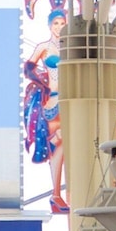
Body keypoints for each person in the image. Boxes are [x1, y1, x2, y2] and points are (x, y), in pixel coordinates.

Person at [25, 11, 68, 212]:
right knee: (59, 146)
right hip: (53, 100)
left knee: (64, 143)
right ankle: (56, 195)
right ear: (50, 26)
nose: (59, 26)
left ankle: (57, 196)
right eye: (56, 23)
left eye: (63, 23)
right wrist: (41, 80)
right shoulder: (44, 47)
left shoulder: (72, 46)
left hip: (73, 99)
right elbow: (28, 68)